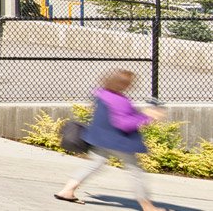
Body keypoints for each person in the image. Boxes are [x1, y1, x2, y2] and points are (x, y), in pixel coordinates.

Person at [58, 67, 163, 208]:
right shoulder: (119, 100)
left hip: (100, 139)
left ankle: (67, 190)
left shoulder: (102, 94)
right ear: (123, 84)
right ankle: (147, 206)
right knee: (136, 172)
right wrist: (147, 116)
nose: (131, 86)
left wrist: (141, 114)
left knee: (94, 164)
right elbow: (124, 124)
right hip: (118, 142)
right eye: (129, 83)